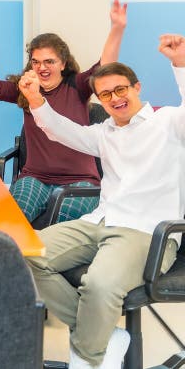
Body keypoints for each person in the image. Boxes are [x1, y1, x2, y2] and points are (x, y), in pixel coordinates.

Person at [18, 36, 185, 369]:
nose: (115, 98)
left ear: (137, 87)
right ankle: (103, 335)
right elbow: (59, 130)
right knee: (22, 254)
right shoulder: (104, 132)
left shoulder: (168, 123)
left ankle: (88, 358)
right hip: (99, 222)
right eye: (106, 94)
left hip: (146, 232)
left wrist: (180, 63)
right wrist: (36, 99)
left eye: (121, 89)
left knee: (98, 284)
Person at [0, 0, 127, 223]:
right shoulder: (27, 89)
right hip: (35, 178)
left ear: (63, 64)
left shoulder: (77, 85)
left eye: (49, 61)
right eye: (36, 62)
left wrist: (117, 29)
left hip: (80, 181)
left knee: (60, 224)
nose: (42, 67)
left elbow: (104, 67)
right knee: (13, 220)